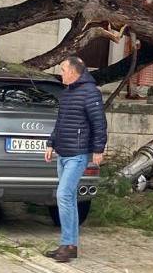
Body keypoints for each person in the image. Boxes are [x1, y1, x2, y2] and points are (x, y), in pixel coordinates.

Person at [43, 56, 108, 263]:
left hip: (78, 155)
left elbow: (99, 123)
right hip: (63, 153)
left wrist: (99, 149)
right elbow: (60, 122)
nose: (60, 73)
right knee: (68, 198)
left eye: (63, 69)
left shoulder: (90, 93)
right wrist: (51, 143)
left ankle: (68, 244)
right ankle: (70, 245)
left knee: (63, 195)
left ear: (74, 72)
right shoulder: (67, 93)